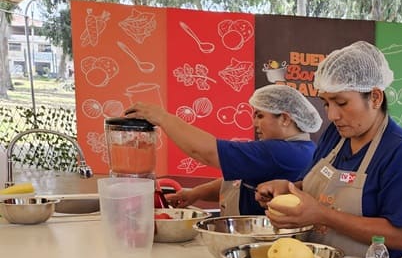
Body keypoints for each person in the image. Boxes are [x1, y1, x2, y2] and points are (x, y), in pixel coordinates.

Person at [257, 41, 402, 258]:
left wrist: (323, 215)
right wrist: (289, 189)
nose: (332, 115)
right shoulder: (336, 134)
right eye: (326, 103)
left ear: (375, 98)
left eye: (341, 103)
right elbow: (317, 188)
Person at [125, 85, 321, 215]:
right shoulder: (298, 149)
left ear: (285, 119)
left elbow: (206, 152)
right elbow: (238, 181)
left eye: (260, 116)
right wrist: (195, 194)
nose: (254, 123)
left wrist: (162, 117)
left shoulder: (281, 152)